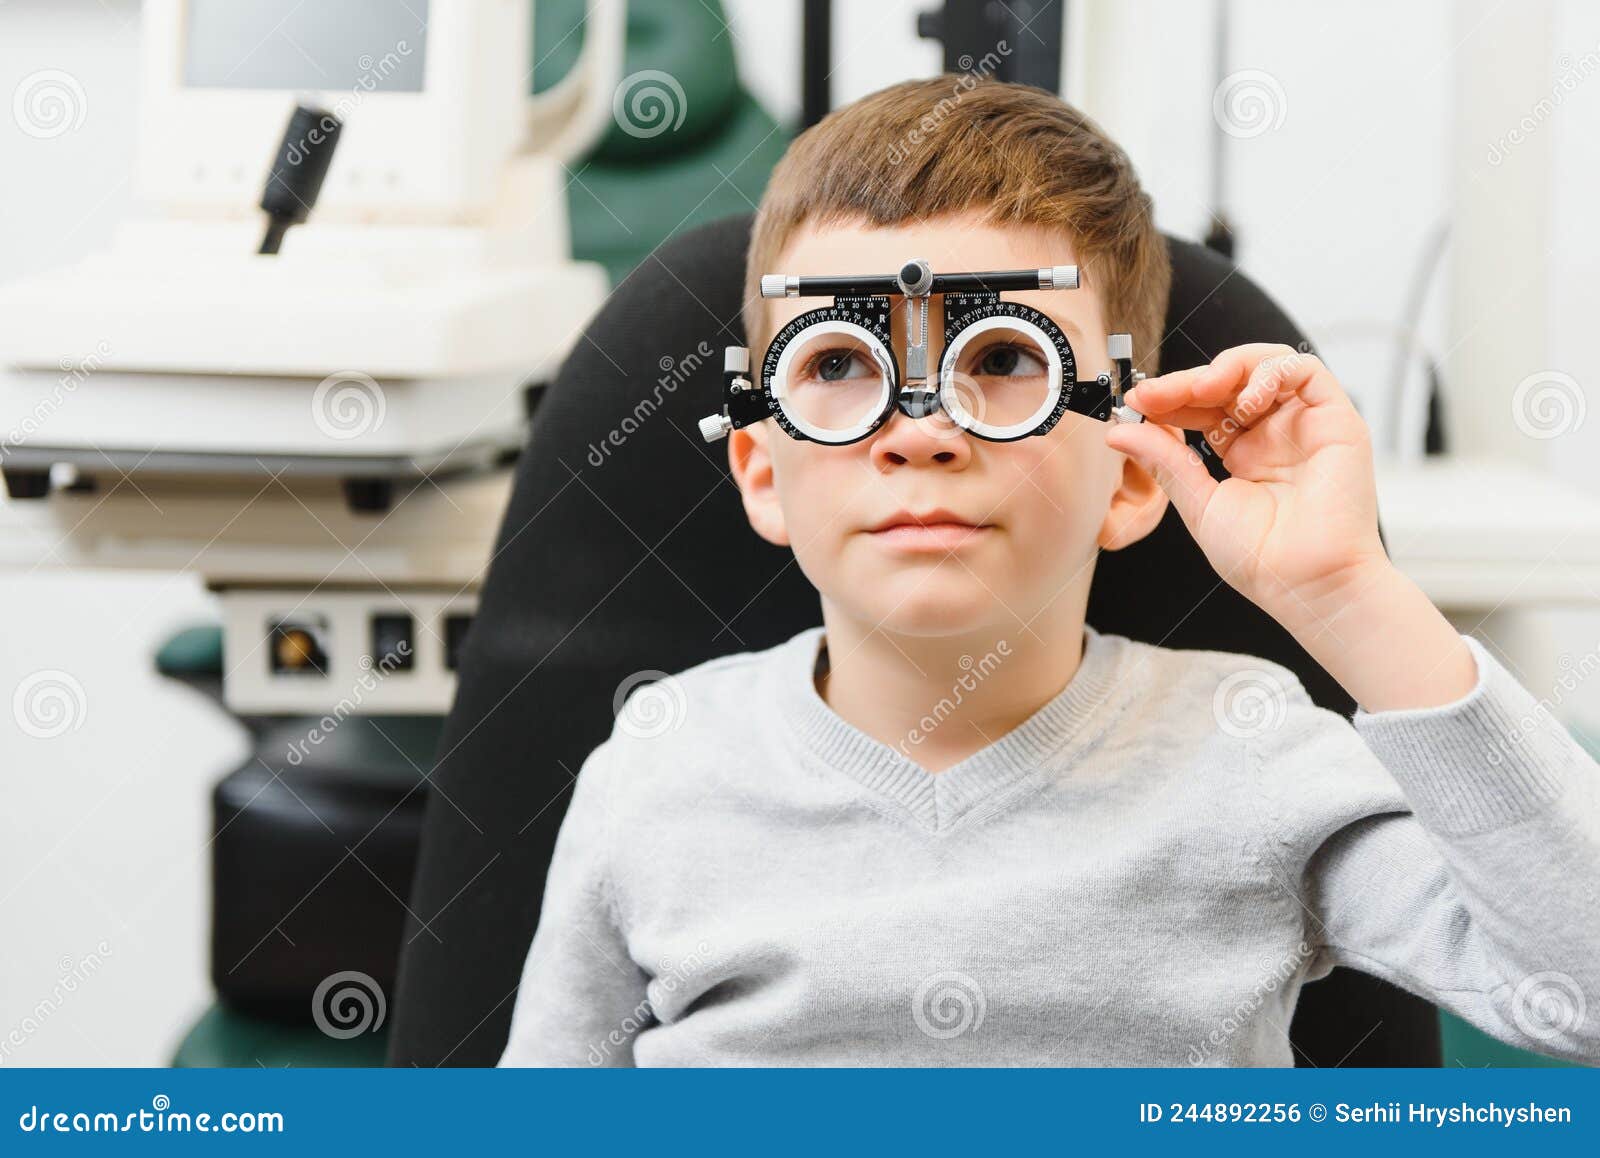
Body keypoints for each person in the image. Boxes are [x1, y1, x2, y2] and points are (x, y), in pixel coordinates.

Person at [497, 78, 1598, 1066]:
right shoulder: (660, 769)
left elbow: (1580, 998)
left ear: (1128, 476)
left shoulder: (1252, 755)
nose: (920, 430)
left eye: (1004, 360)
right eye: (839, 361)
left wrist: (1347, 594)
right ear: (763, 470)